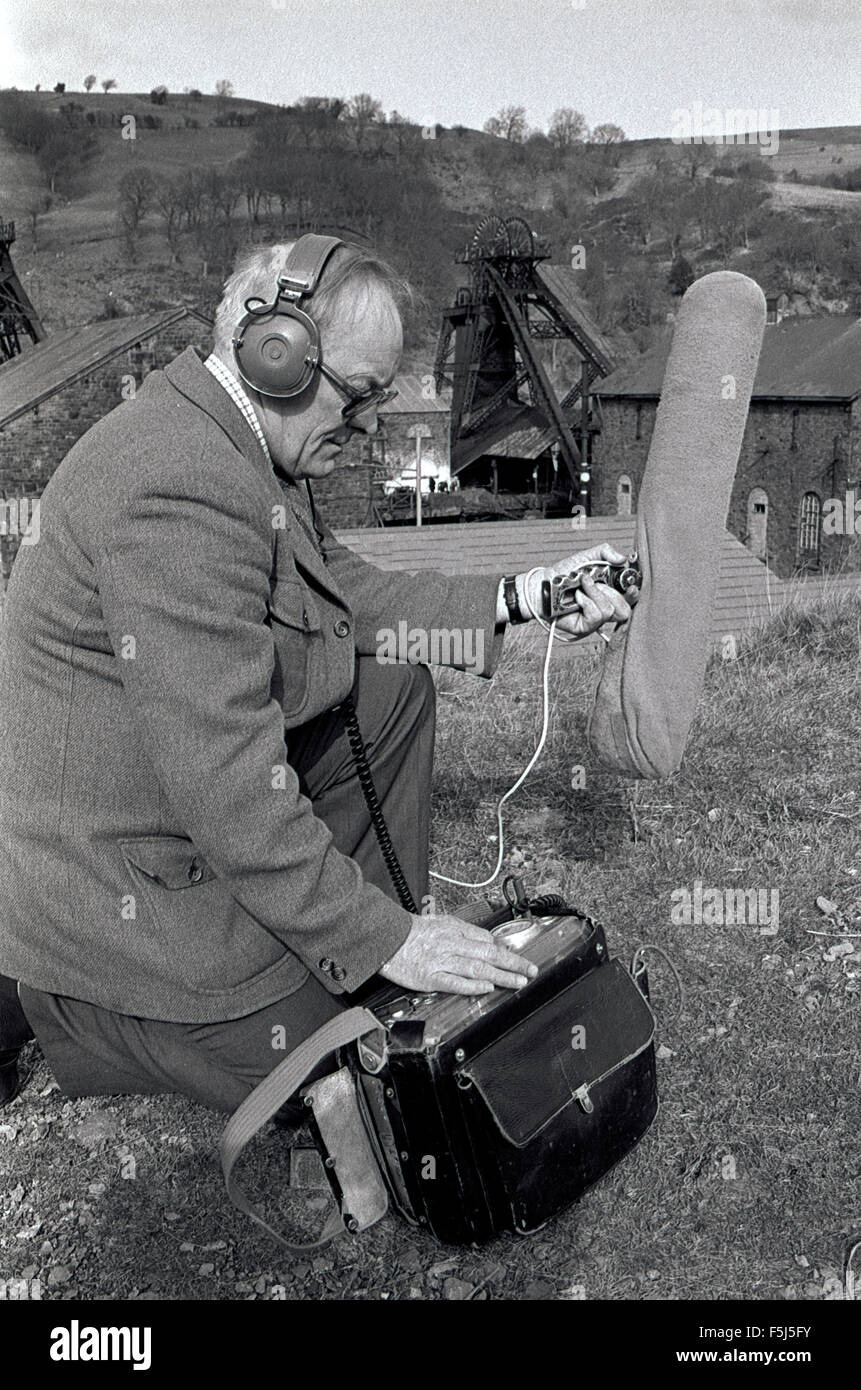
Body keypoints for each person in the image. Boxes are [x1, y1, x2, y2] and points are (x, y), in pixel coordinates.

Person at [0, 237, 632, 1117]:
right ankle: (60, 1003)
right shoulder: (176, 486)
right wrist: (387, 941)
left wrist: (525, 594)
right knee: (351, 1079)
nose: (371, 424)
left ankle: (343, 943)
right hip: (118, 878)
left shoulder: (241, 439)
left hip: (172, 809)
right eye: (361, 395)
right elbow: (226, 790)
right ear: (277, 355)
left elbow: (349, 593)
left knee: (391, 690)